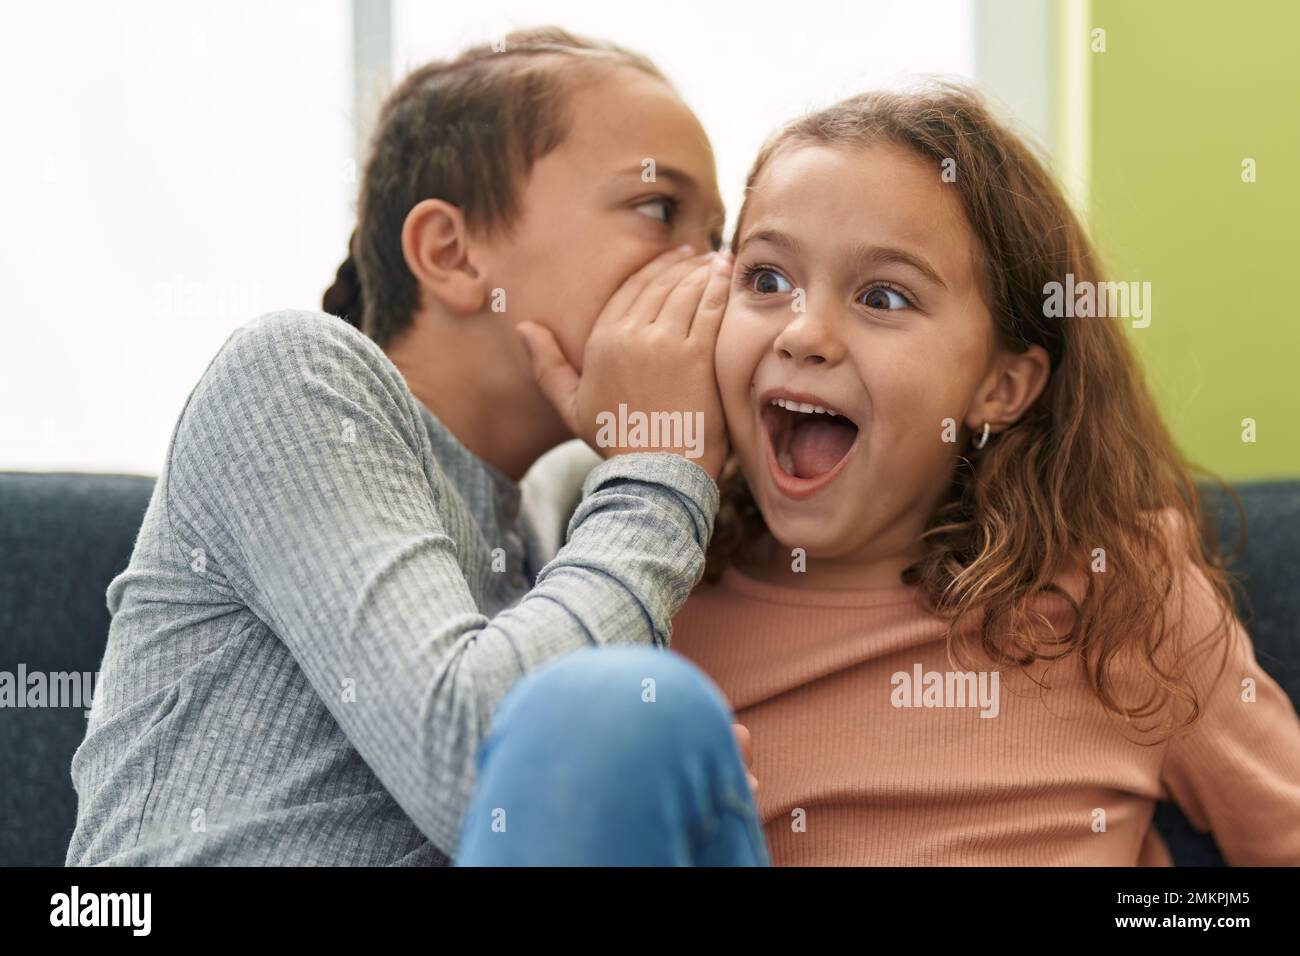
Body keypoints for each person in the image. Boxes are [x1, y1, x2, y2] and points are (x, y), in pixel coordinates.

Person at [67, 28, 757, 867]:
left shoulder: (548, 524)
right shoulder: (293, 376)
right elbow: (479, 763)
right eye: (659, 211)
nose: (715, 276)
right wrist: (664, 465)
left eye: (718, 239)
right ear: (452, 253)